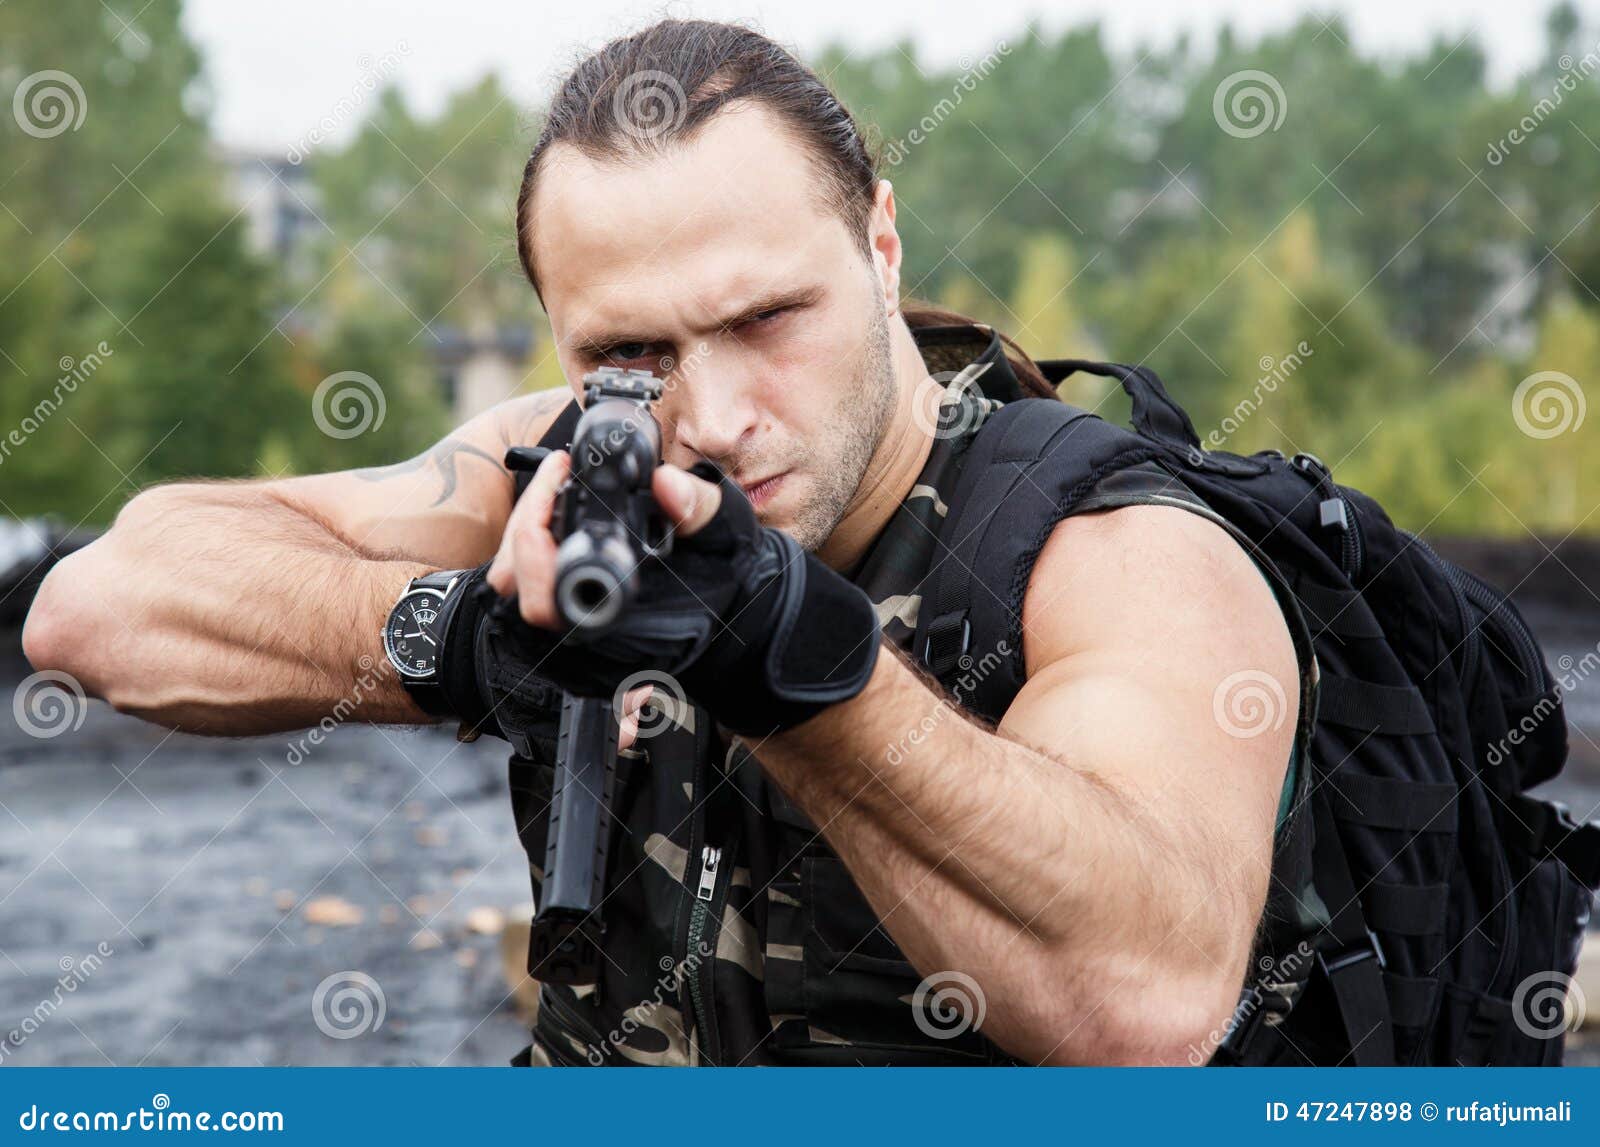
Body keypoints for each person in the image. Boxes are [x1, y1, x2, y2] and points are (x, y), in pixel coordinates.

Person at [22, 18, 1307, 1066]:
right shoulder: (580, 458)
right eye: (629, 352)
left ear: (879, 238)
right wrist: (470, 637)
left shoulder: (1110, 547)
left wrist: (799, 672)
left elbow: (1148, 998)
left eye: (768, 316)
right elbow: (97, 609)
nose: (721, 416)